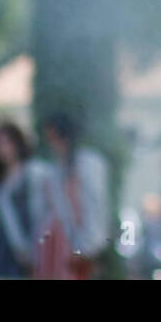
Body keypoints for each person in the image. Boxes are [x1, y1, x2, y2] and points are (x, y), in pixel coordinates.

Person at [35, 113, 108, 279]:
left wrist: (86, 246)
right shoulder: (56, 169)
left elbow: (95, 207)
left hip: (83, 245)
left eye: (54, 138)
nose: (52, 144)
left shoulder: (88, 164)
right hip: (60, 244)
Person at [0, 121, 53, 278]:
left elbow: (41, 213)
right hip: (4, 247)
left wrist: (32, 249)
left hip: (28, 247)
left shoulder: (33, 172)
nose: (2, 149)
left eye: (6, 143)